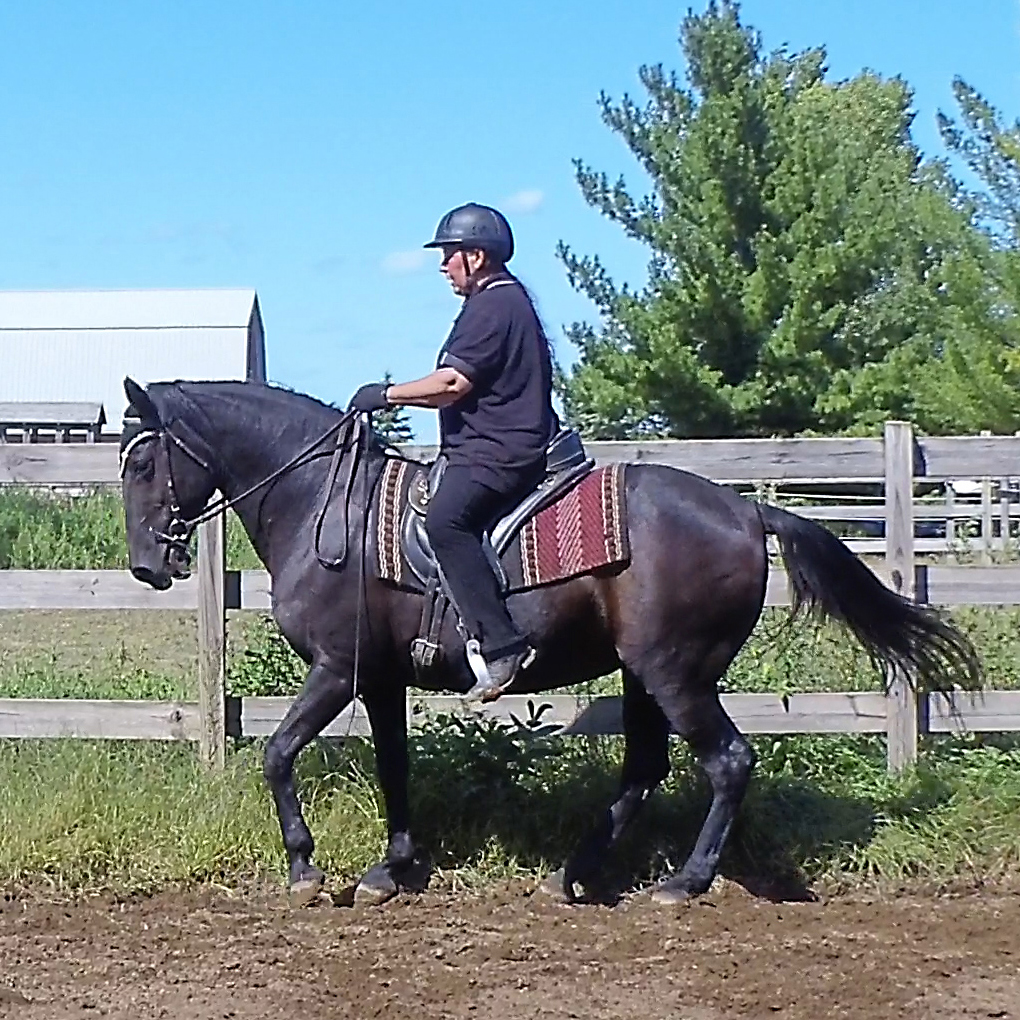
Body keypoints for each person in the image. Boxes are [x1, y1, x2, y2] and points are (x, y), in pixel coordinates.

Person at [348, 202, 559, 701]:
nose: (443, 265)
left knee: (446, 521)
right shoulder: (502, 301)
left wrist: (385, 394)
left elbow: (451, 383)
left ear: (478, 256)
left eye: (450, 254)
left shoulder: (493, 307)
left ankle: (503, 645)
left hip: (499, 452)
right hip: (492, 446)